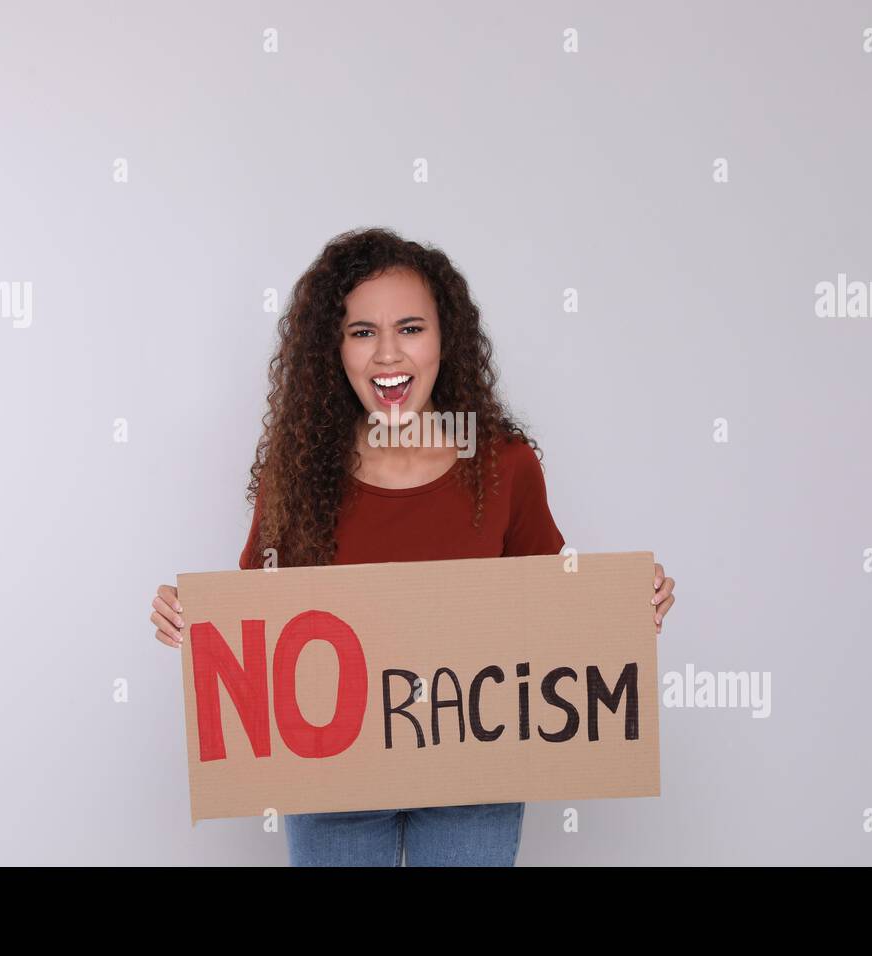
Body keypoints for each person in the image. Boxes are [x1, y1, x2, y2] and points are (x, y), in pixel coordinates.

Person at [150, 227, 676, 865]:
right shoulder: (297, 475)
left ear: (443, 340)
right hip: (331, 779)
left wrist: (621, 606)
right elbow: (254, 609)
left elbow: (552, 594)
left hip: (473, 774)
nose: (387, 355)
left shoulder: (502, 465)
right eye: (362, 332)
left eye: (411, 328)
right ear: (333, 349)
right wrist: (191, 614)